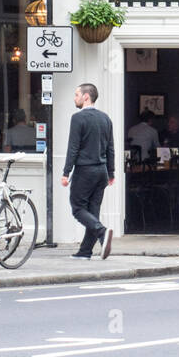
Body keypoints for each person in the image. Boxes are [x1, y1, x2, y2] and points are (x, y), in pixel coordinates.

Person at [61, 83, 114, 259]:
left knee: (77, 208)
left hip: (85, 170)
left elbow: (73, 148)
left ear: (86, 97)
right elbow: (110, 148)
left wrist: (66, 172)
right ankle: (85, 251)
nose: (74, 98)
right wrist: (111, 173)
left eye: (77, 94)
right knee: (92, 212)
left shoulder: (78, 118)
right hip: (102, 172)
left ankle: (102, 232)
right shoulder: (105, 118)